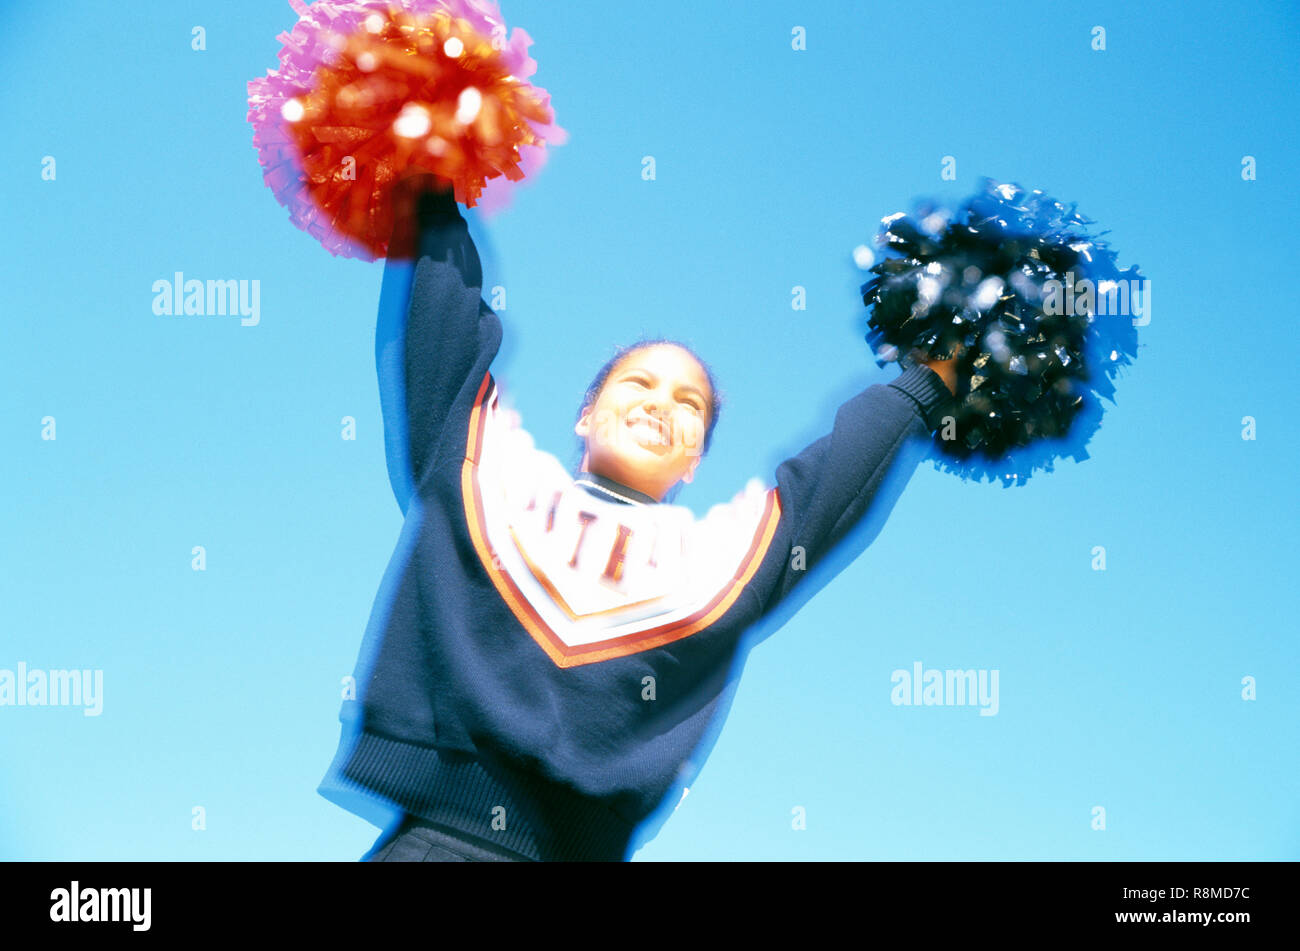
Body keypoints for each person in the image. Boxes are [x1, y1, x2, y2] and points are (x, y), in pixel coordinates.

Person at [319, 174, 959, 861]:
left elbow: (826, 485)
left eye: (691, 404)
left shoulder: (720, 555)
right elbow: (444, 330)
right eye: (639, 382)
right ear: (586, 415)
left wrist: (936, 379)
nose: (663, 403)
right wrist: (432, 172)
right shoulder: (491, 466)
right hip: (433, 845)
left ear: (694, 461)